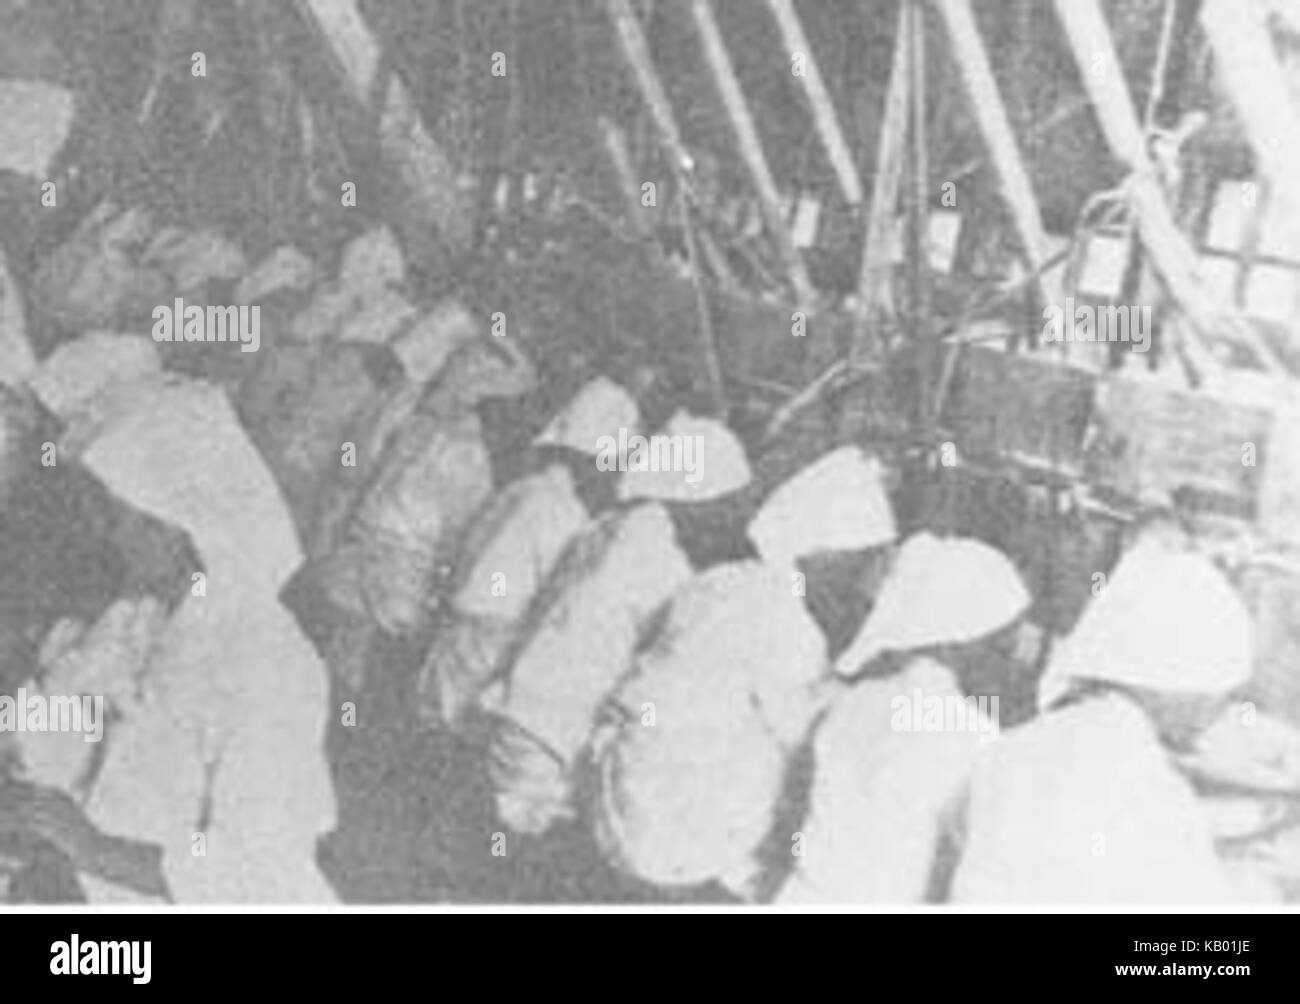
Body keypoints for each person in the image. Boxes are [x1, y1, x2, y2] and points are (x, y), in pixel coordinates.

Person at [950, 530, 1251, 904]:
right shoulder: (1153, 790)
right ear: (1172, 683)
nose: (1213, 714)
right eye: (1217, 695)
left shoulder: (1011, 746)